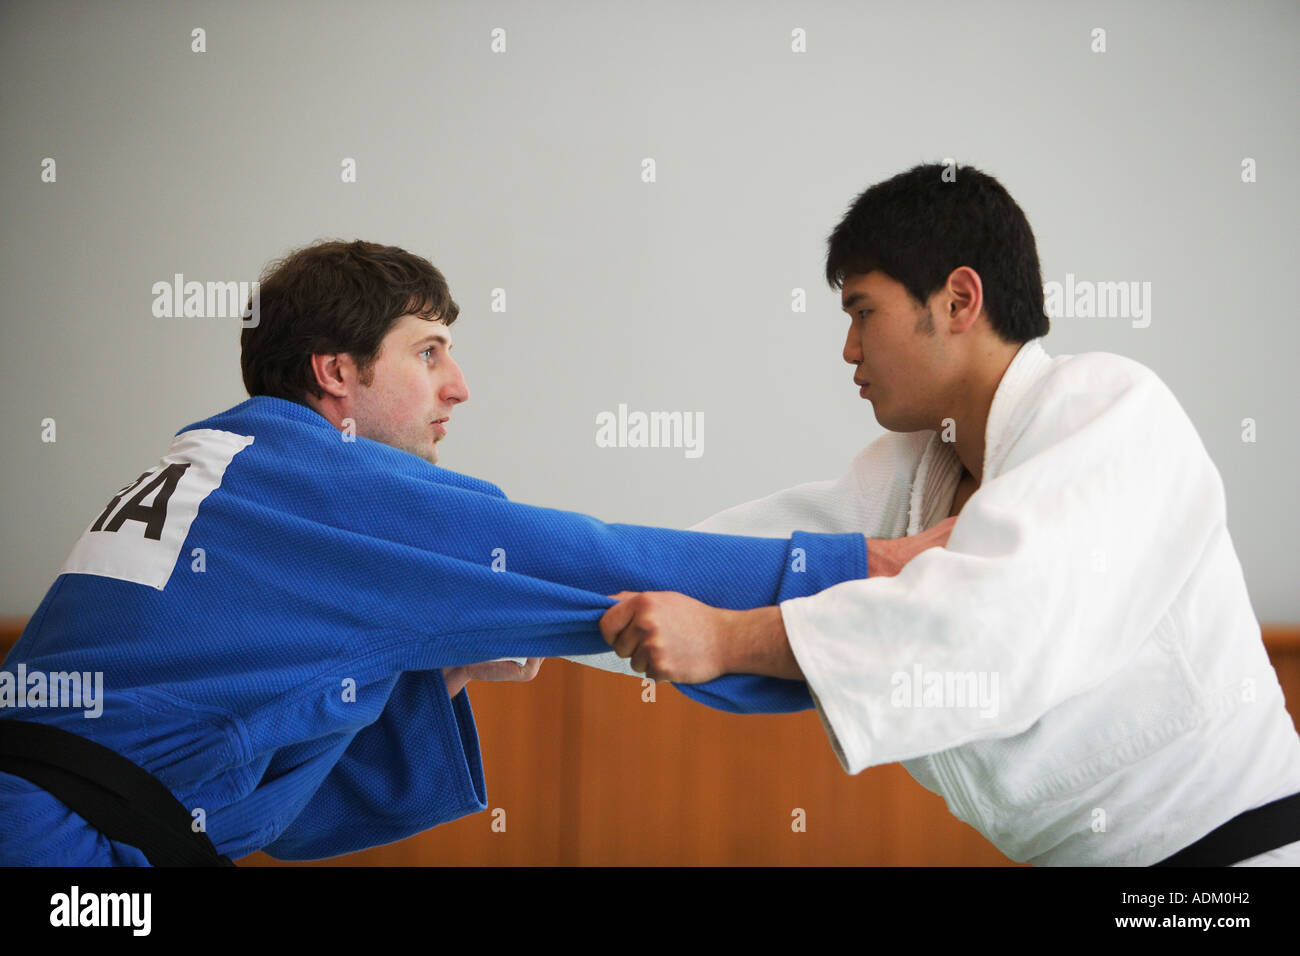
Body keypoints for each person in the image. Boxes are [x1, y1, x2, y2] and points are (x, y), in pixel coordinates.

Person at [0, 239, 951, 865]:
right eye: (427, 353)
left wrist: (430, 669)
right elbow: (587, 555)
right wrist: (862, 568)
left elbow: (237, 719)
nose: (458, 387)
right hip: (62, 846)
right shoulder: (324, 479)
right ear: (337, 371)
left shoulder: (215, 460)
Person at [600, 163, 1300, 866]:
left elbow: (994, 629)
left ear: (959, 299)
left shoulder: (1109, 408)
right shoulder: (912, 470)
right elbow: (730, 563)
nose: (849, 348)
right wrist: (527, 614)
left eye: (863, 311)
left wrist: (729, 641)